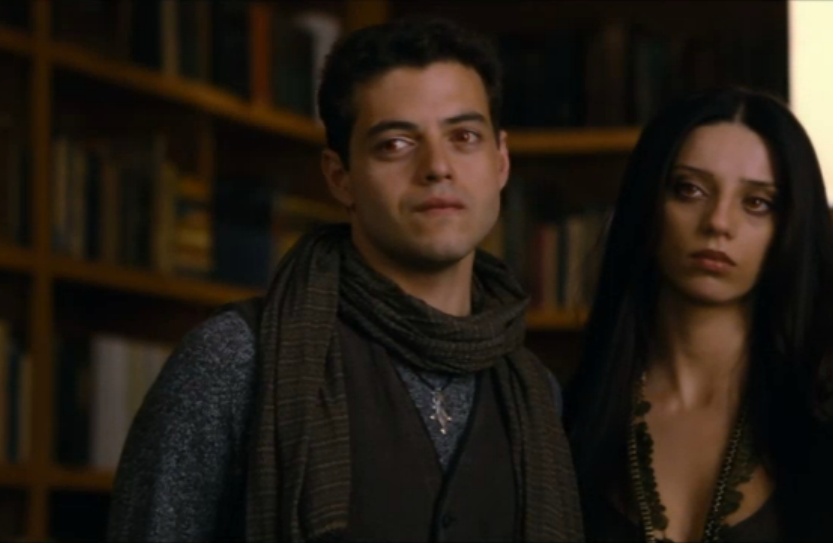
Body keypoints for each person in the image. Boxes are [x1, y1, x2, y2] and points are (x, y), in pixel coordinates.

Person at [107, 17, 582, 542]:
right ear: (340, 177)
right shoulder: (234, 361)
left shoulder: (535, 392)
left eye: (464, 137)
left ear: (500, 161)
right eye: (396, 143)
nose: (437, 166)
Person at [564, 87, 833, 542]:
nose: (718, 221)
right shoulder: (559, 424)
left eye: (757, 202)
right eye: (690, 189)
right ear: (648, 205)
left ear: (788, 229)